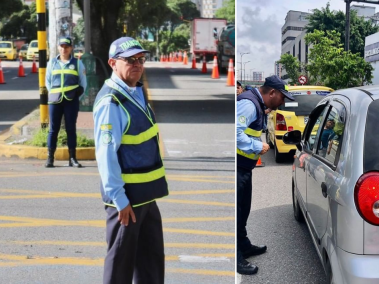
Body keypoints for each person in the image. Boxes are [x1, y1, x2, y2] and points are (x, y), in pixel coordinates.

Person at [93, 37, 169, 284]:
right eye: (130, 60)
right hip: (127, 200)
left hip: (146, 196)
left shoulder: (135, 92)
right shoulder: (111, 102)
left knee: (151, 263)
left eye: (140, 59)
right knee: (120, 267)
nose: (137, 64)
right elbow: (106, 155)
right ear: (113, 63)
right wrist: (119, 199)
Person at [236, 75, 295, 275]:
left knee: (243, 210)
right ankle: (236, 257)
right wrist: (257, 145)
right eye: (282, 97)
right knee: (237, 213)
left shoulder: (256, 104)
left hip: (244, 167)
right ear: (272, 93)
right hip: (237, 167)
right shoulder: (249, 104)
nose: (283, 102)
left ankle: (243, 245)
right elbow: (235, 132)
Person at [45, 36, 87, 168]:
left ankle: (72, 158)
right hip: (55, 101)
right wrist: (54, 94)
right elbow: (48, 82)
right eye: (62, 46)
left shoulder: (78, 63)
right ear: (58, 47)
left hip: (71, 101)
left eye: (67, 47)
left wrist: (76, 98)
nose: (64, 49)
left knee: (71, 129)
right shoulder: (52, 63)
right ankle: (50, 158)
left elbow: (83, 84)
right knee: (53, 129)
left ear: (71, 48)